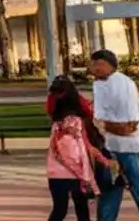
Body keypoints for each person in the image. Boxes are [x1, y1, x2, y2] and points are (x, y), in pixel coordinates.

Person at [90, 49, 139, 221]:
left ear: (106, 64)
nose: (92, 68)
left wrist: (105, 125)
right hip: (109, 145)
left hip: (128, 146)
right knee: (110, 185)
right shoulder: (98, 85)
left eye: (96, 64)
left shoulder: (124, 84)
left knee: (137, 185)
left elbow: (130, 125)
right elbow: (99, 118)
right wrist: (105, 126)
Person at [47, 76, 112, 221]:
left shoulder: (57, 125)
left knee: (59, 210)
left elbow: (85, 146)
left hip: (55, 174)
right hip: (75, 174)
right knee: (81, 210)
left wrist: (103, 160)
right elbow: (75, 153)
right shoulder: (75, 122)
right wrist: (85, 175)